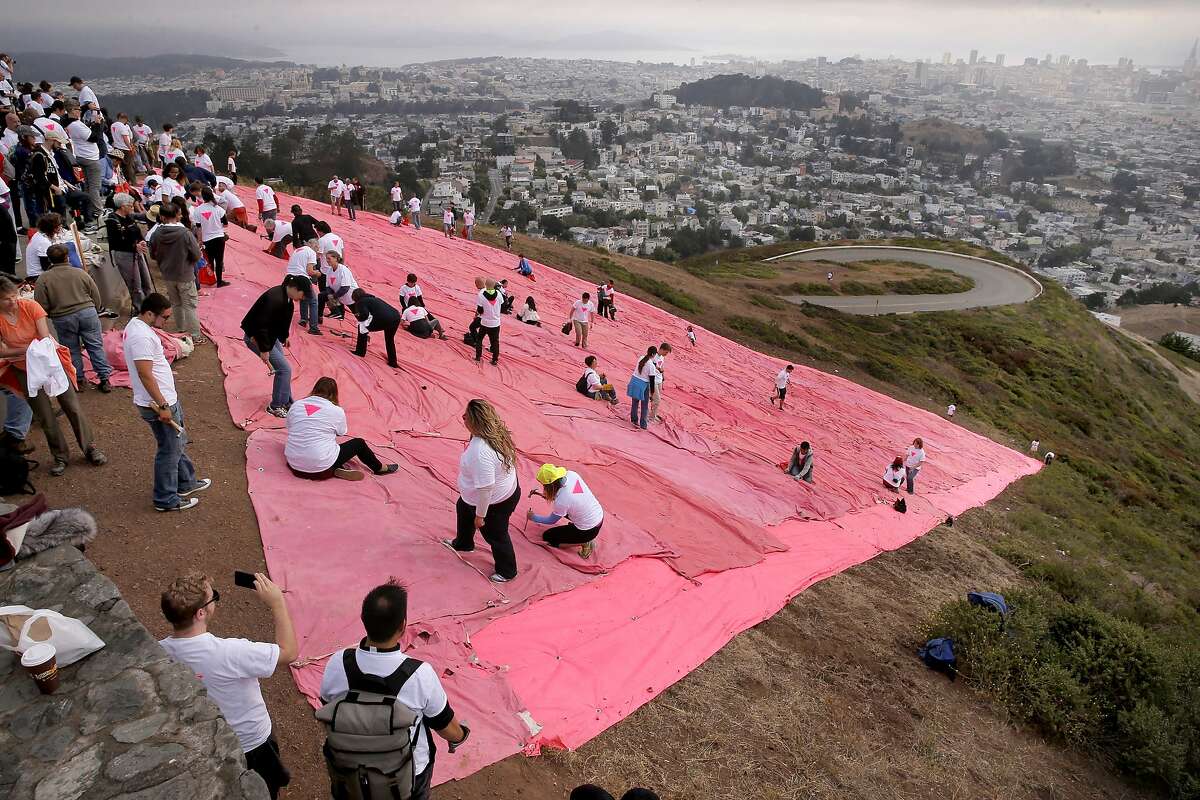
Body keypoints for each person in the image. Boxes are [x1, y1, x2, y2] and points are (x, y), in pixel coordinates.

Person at [318, 580, 470, 799]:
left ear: (363, 620)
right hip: (405, 774)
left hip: (348, 767)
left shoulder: (338, 662)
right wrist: (460, 736)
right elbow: (446, 727)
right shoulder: (420, 675)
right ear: (403, 626)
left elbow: (327, 705)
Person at [159, 571, 296, 798]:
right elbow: (289, 652)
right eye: (214, 599)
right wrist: (278, 603)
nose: (216, 602)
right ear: (201, 613)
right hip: (252, 743)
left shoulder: (160, 651)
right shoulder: (232, 652)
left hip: (204, 741)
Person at [0, 275, 106, 476]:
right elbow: (3, 351)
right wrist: (28, 349)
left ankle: (89, 447)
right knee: (44, 415)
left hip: (49, 363)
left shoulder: (30, 307)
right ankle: (60, 455)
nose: (13, 301)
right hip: (24, 369)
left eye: (14, 295)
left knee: (71, 406)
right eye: (6, 298)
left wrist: (19, 349)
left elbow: (43, 336)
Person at [125, 293, 211, 510]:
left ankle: (186, 482)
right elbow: (145, 373)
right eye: (164, 317)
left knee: (177, 442)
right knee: (169, 450)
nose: (166, 322)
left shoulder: (140, 327)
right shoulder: (141, 337)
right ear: (149, 313)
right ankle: (165, 499)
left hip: (165, 399)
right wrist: (163, 406)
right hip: (158, 403)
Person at [444, 399, 521, 582]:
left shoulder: (480, 452)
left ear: (475, 422)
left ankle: (507, 571)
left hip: (494, 502)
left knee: (496, 535)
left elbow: (486, 489)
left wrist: (480, 516)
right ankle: (463, 543)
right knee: (463, 509)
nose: (462, 418)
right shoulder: (494, 432)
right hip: (501, 491)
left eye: (466, 417)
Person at [33, 244, 113, 392]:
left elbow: (40, 304)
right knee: (95, 346)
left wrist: (52, 314)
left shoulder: (43, 279)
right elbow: (95, 294)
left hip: (63, 317)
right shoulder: (80, 273)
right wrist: (93, 309)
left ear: (49, 260)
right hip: (87, 312)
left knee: (72, 349)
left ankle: (79, 380)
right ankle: (104, 378)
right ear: (67, 257)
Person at [286, 376, 397, 480]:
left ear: (314, 389)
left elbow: (290, 427)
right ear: (334, 394)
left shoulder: (296, 405)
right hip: (319, 464)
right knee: (359, 443)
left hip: (294, 464)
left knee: (316, 446)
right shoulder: (336, 411)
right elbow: (341, 432)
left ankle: (332, 467)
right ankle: (379, 468)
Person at [241, 275, 311, 417]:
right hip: (257, 337)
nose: (302, 299)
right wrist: (264, 349)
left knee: (284, 368)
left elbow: (282, 321)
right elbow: (261, 327)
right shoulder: (275, 298)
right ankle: (276, 405)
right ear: (296, 289)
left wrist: (283, 337)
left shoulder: (286, 298)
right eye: (303, 295)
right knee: (284, 369)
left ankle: (286, 401)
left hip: (270, 337)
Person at [149, 203, 204, 343]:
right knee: (189, 305)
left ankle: (181, 329)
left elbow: (153, 254)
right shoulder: (185, 233)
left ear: (162, 217)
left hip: (167, 275)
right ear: (177, 215)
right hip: (184, 274)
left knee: (176, 303)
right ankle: (195, 335)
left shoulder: (157, 233)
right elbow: (197, 255)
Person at [526, 463, 604, 559]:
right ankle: (581, 534)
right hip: (598, 515)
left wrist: (533, 517)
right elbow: (570, 496)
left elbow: (551, 520)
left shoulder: (561, 501)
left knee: (548, 537)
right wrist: (542, 495)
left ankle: (585, 542)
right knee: (566, 509)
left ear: (549, 486)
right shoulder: (571, 474)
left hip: (588, 530)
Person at [106, 192, 154, 310]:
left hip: (137, 252)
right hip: (125, 255)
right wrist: (134, 246)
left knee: (146, 280)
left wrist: (141, 241)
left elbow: (137, 232)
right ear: (122, 206)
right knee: (135, 284)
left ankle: (150, 305)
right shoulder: (112, 221)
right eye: (130, 206)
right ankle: (141, 308)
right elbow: (116, 242)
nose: (132, 208)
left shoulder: (129, 217)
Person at [351, 289, 401, 368]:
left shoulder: (361, 302)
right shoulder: (374, 298)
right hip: (396, 317)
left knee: (362, 327)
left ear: (355, 297)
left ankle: (360, 351)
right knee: (389, 340)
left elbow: (365, 315)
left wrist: (357, 316)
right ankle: (393, 362)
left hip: (385, 319)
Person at [191, 186, 230, 287]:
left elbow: (199, 228)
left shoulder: (198, 210)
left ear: (202, 197)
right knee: (219, 260)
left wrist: (200, 240)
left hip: (207, 239)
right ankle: (220, 281)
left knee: (210, 260)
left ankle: (211, 280)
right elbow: (226, 224)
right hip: (219, 238)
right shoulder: (219, 209)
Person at [285, 239, 322, 334]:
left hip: (289, 276)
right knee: (313, 301)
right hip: (302, 277)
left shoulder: (298, 250)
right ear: (315, 247)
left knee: (302, 297)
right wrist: (317, 273)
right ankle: (313, 327)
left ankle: (303, 319)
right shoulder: (311, 253)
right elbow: (309, 271)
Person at [318, 250, 358, 323]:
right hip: (339, 296)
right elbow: (328, 286)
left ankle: (364, 332)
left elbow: (345, 288)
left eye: (329, 258)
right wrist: (330, 295)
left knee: (360, 317)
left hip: (351, 297)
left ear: (336, 258)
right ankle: (319, 317)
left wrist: (333, 296)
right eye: (326, 258)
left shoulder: (343, 270)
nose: (327, 260)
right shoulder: (329, 270)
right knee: (322, 295)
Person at [626, 346, 658, 430]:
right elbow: (652, 381)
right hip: (643, 384)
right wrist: (652, 393)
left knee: (635, 403)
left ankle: (634, 420)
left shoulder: (641, 358)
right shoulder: (651, 366)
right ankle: (643, 424)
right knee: (644, 406)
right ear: (654, 354)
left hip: (634, 381)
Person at [473, 278, 503, 364]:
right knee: (495, 341)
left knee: (479, 339)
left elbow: (480, 310)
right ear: (494, 285)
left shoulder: (481, 295)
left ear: (485, 285)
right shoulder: (499, 294)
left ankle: (478, 357)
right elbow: (501, 304)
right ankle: (495, 359)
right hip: (496, 323)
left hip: (485, 322)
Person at [649, 342, 672, 422]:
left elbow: (661, 366)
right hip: (653, 380)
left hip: (659, 379)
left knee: (655, 399)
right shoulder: (654, 356)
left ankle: (653, 414)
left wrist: (663, 377)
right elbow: (651, 365)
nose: (666, 354)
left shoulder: (662, 357)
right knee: (657, 399)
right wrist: (658, 369)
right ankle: (652, 417)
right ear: (662, 349)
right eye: (666, 352)